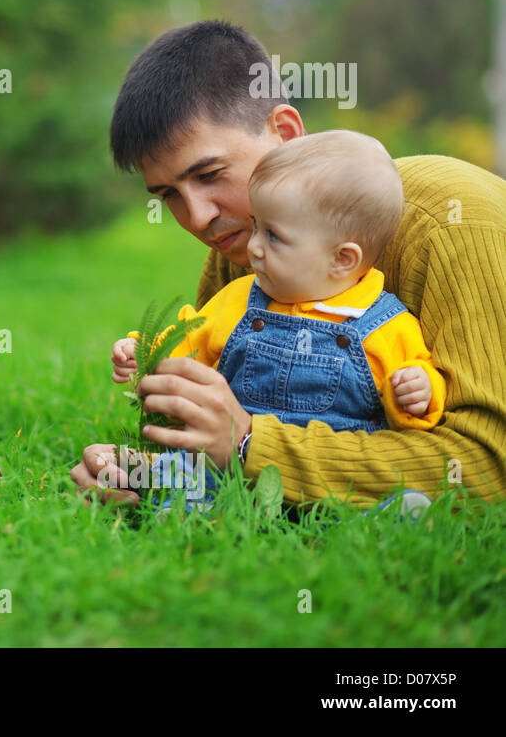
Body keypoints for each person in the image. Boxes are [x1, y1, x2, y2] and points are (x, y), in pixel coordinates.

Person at [71, 19, 506, 507]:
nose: (198, 218)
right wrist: (146, 469)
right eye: (169, 194)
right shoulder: (240, 257)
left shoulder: (451, 223)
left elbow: (486, 465)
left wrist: (252, 445)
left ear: (286, 131)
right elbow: (214, 429)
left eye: (210, 174)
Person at [108, 130, 447, 507]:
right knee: (186, 473)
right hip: (232, 469)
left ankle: (387, 517)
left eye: (274, 237)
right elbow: (188, 340)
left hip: (328, 478)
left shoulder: (385, 325)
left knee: (362, 501)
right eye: (256, 226)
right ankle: (151, 490)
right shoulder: (240, 300)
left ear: (342, 259)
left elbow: (418, 381)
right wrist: (144, 351)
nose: (253, 247)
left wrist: (418, 391)